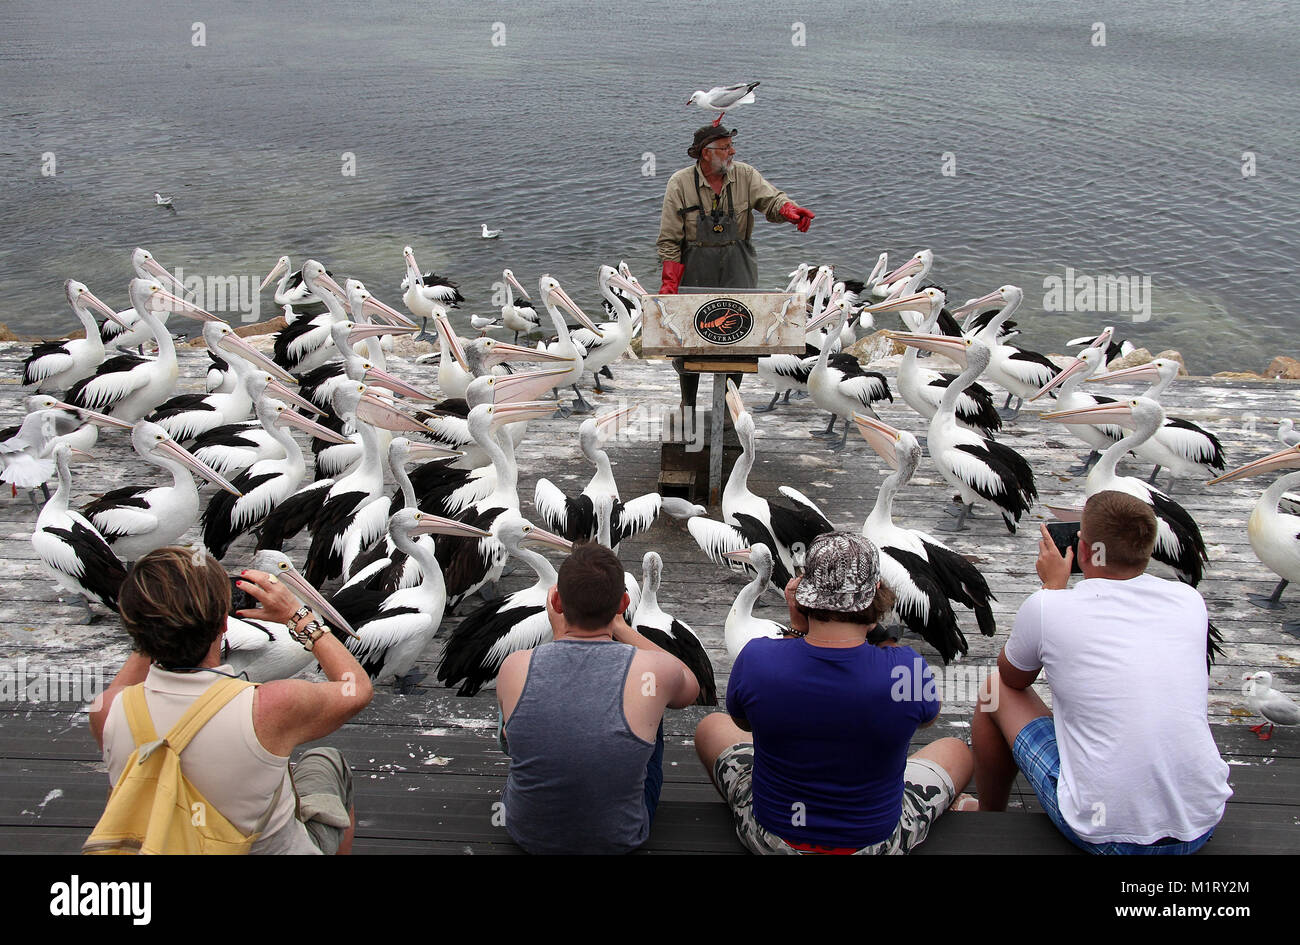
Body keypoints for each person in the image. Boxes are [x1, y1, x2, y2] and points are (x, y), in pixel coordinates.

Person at [971, 490, 1232, 853]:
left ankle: (987, 818)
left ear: (1084, 550)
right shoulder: (1189, 600)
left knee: (992, 690)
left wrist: (1052, 590)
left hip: (1109, 834)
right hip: (1199, 821)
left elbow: (1013, 679)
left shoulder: (1049, 607)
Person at [694, 531, 974, 855]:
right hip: (873, 844)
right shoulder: (906, 670)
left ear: (802, 596)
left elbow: (743, 725)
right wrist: (879, 636)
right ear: (876, 594)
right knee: (957, 750)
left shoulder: (757, 659)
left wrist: (797, 629)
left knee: (710, 727)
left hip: (774, 839)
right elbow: (928, 718)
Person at [88, 547, 373, 854]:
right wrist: (299, 616)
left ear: (135, 628)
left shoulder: (108, 711)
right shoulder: (270, 707)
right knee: (328, 762)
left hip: (162, 844)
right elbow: (355, 688)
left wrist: (152, 628)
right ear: (224, 624)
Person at [496, 542, 700, 854]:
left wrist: (560, 634)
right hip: (621, 837)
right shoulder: (652, 671)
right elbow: (689, 688)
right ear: (624, 603)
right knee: (652, 704)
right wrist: (621, 627)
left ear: (556, 601)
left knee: (527, 705)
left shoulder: (515, 666)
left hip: (528, 832)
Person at [657, 125, 815, 408]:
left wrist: (789, 211)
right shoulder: (679, 183)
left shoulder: (745, 174)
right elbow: (669, 240)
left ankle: (729, 408)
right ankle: (688, 403)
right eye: (725, 147)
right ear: (706, 153)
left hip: (738, 264)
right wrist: (669, 286)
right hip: (695, 267)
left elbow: (772, 200)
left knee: (739, 340)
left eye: (731, 146)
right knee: (689, 342)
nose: (733, 151)